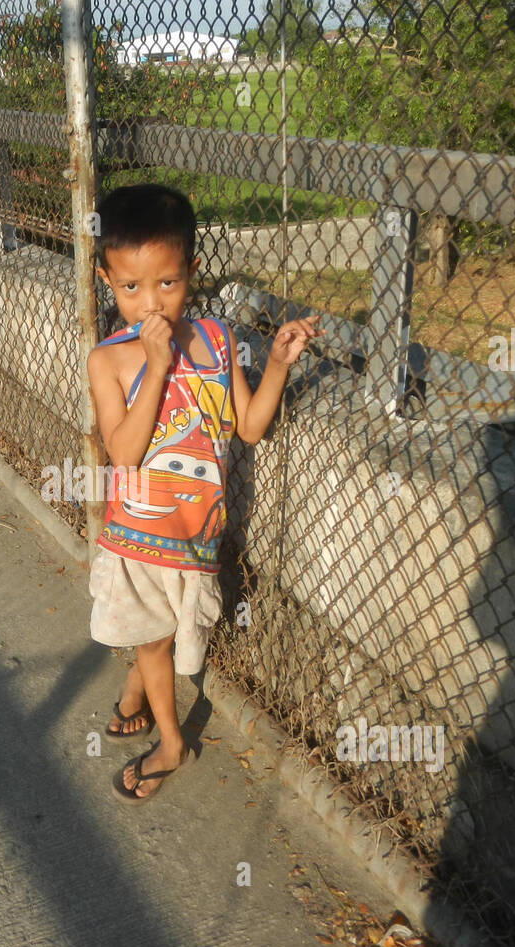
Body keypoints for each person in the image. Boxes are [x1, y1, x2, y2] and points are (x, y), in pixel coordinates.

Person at [85, 182, 325, 802]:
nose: (150, 304)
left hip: (196, 538)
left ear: (192, 271)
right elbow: (123, 452)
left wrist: (275, 363)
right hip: (139, 538)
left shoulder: (216, 340)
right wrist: (156, 365)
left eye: (167, 283)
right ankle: (172, 743)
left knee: (157, 635)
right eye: (129, 288)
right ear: (106, 278)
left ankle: (136, 692)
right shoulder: (108, 360)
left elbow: (249, 427)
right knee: (156, 638)